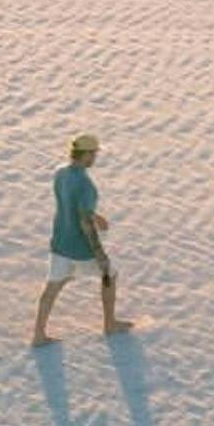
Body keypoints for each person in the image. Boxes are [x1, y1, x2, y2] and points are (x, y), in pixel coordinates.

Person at [31, 132, 132, 345]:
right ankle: (110, 324)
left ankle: (38, 334)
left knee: (52, 288)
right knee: (110, 275)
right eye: (94, 153)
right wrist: (100, 254)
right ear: (85, 154)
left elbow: (71, 204)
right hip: (80, 248)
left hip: (59, 243)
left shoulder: (60, 173)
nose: (95, 157)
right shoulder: (87, 186)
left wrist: (96, 216)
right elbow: (85, 222)